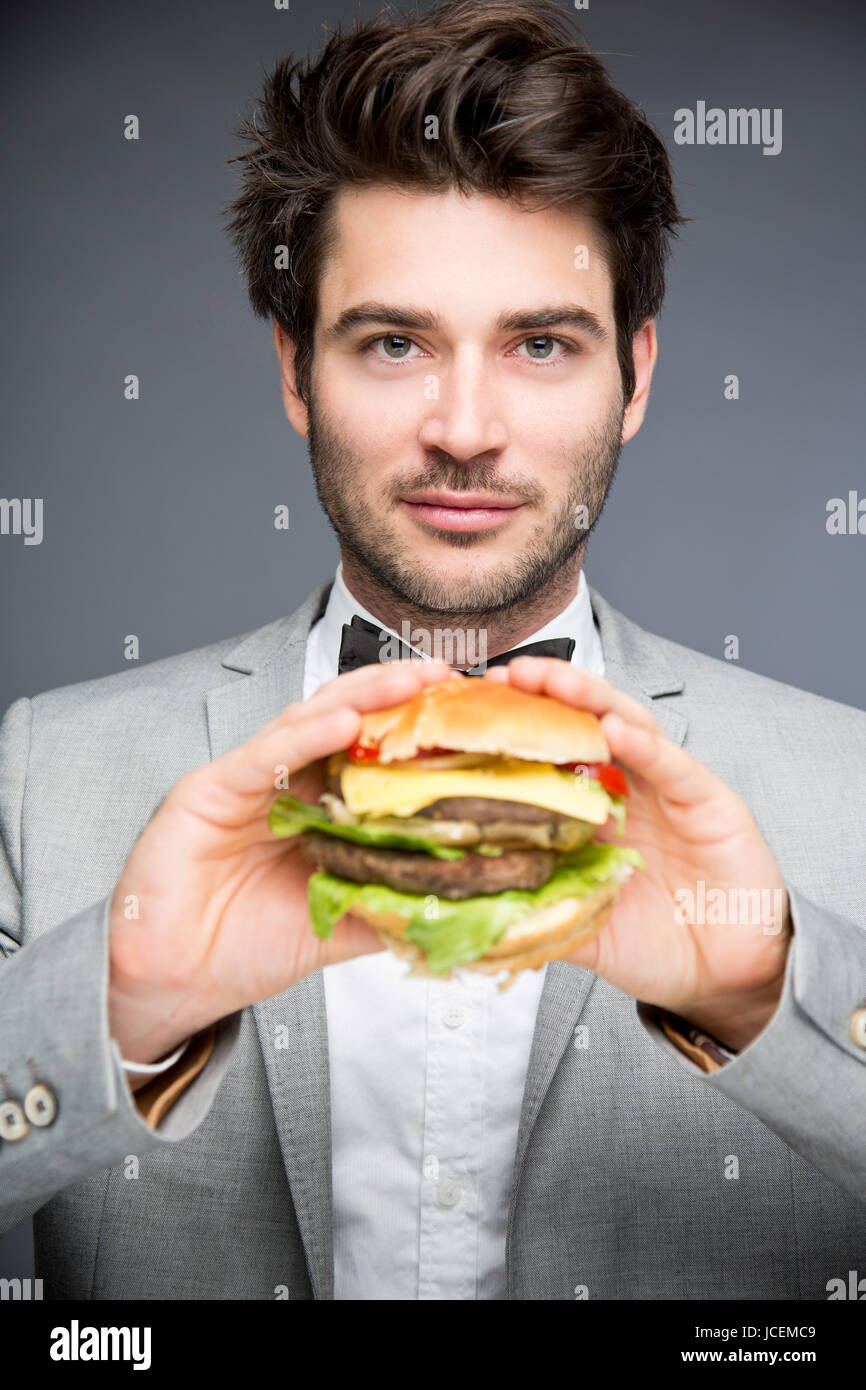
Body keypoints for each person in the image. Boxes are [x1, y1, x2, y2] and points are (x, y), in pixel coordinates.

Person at [1, 0, 865, 1301]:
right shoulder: (45, 772)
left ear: (634, 378)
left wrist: (768, 996)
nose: (463, 428)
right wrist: (116, 1005)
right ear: (295, 370)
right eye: (394, 343)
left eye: (540, 344)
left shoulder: (852, 789)